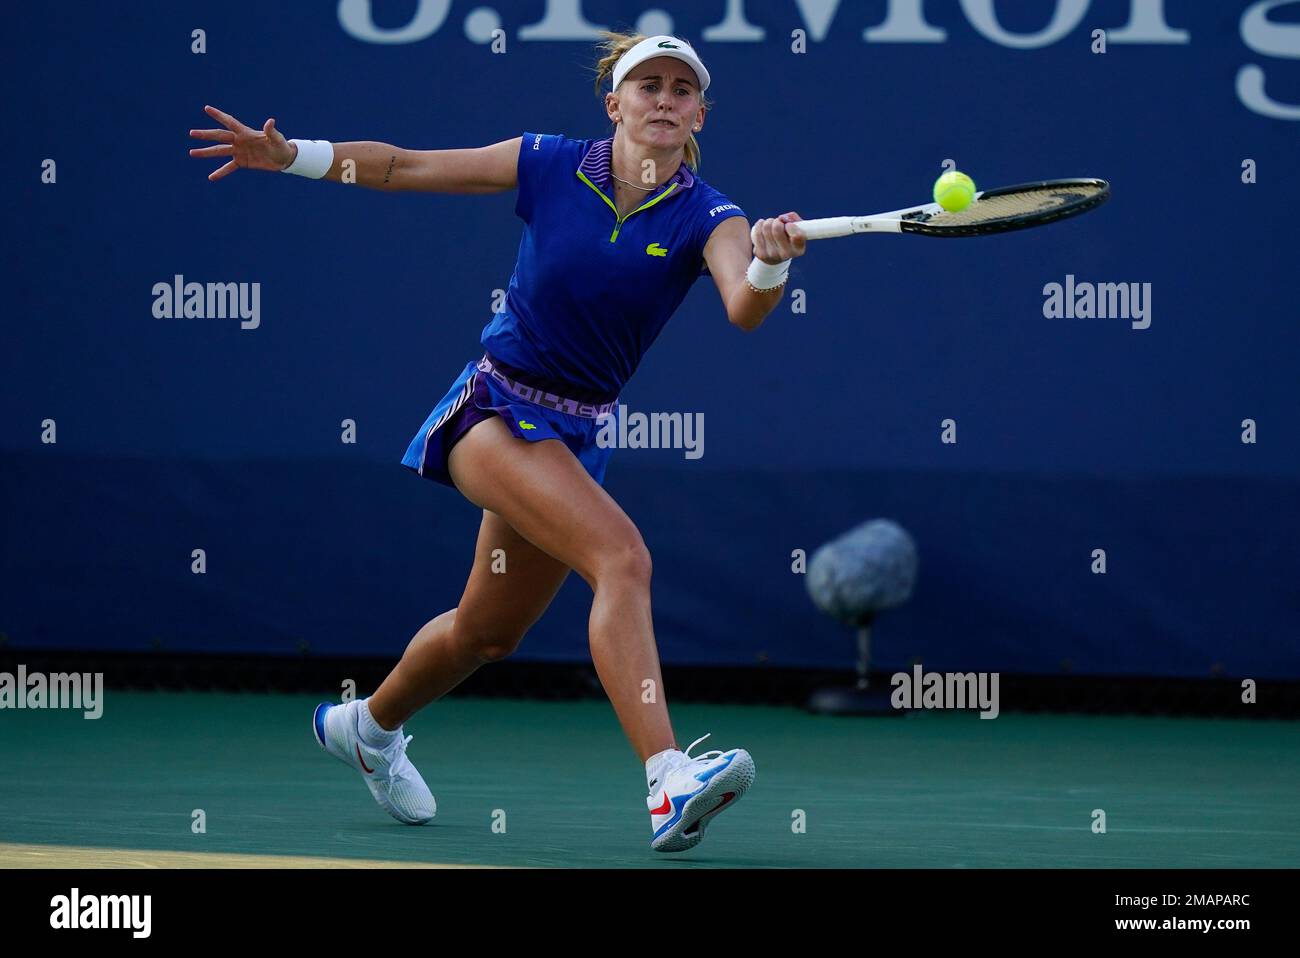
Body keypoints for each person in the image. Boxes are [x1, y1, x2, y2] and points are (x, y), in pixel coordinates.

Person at [189, 32, 807, 853]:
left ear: (699, 112)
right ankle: (667, 776)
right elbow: (404, 166)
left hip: (576, 434)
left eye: (682, 89)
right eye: (647, 85)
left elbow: (744, 307)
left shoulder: (714, 216)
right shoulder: (548, 162)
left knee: (487, 633)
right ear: (614, 104)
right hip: (491, 413)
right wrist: (295, 154)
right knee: (622, 559)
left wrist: (768, 266)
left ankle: (365, 729)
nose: (665, 99)